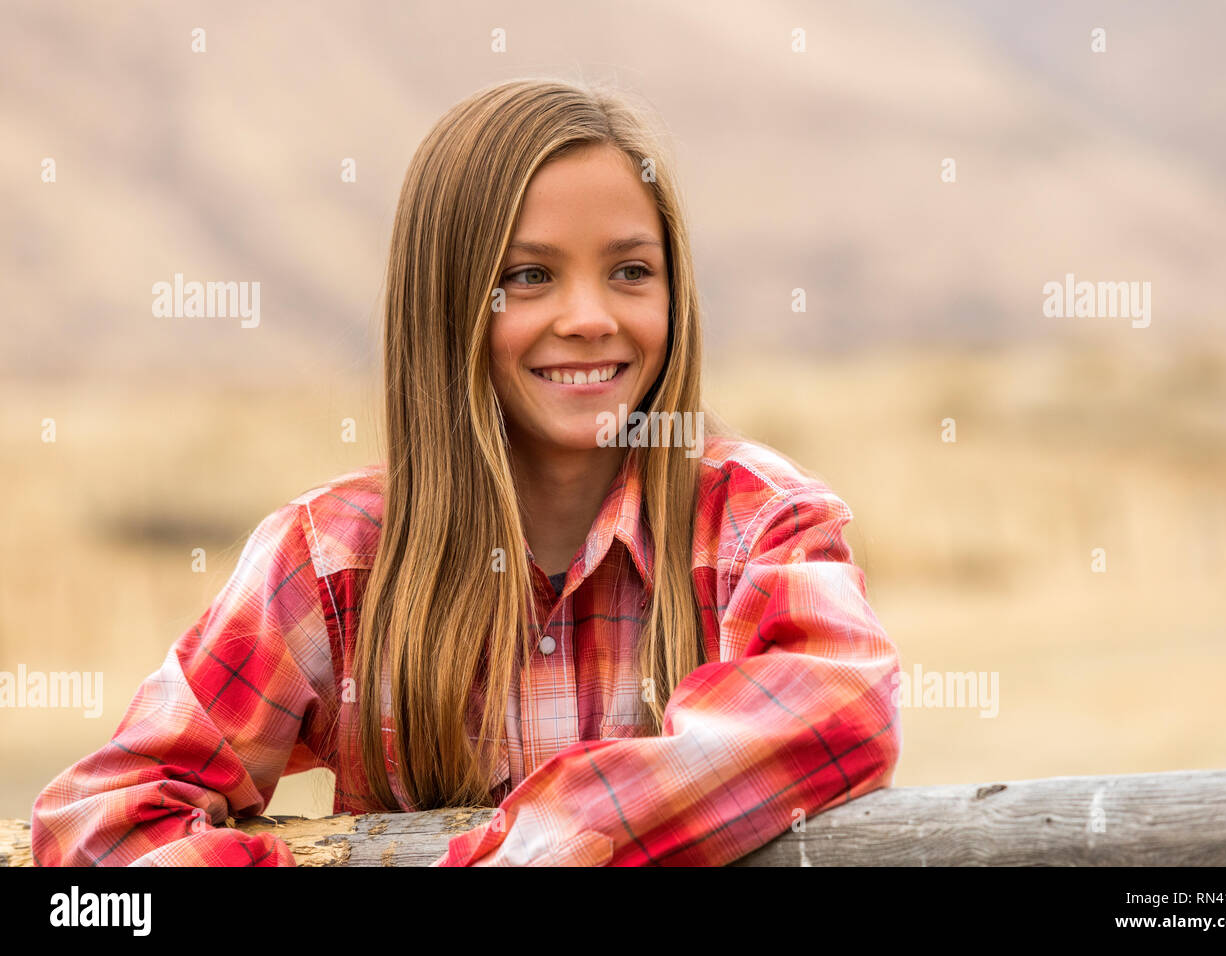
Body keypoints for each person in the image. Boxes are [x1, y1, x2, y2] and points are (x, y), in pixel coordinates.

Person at [30, 77, 901, 866]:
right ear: (446, 301)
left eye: (631, 271)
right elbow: (103, 823)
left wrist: (536, 851)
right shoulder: (333, 561)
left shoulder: (756, 522)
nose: (590, 317)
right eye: (528, 277)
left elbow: (838, 704)